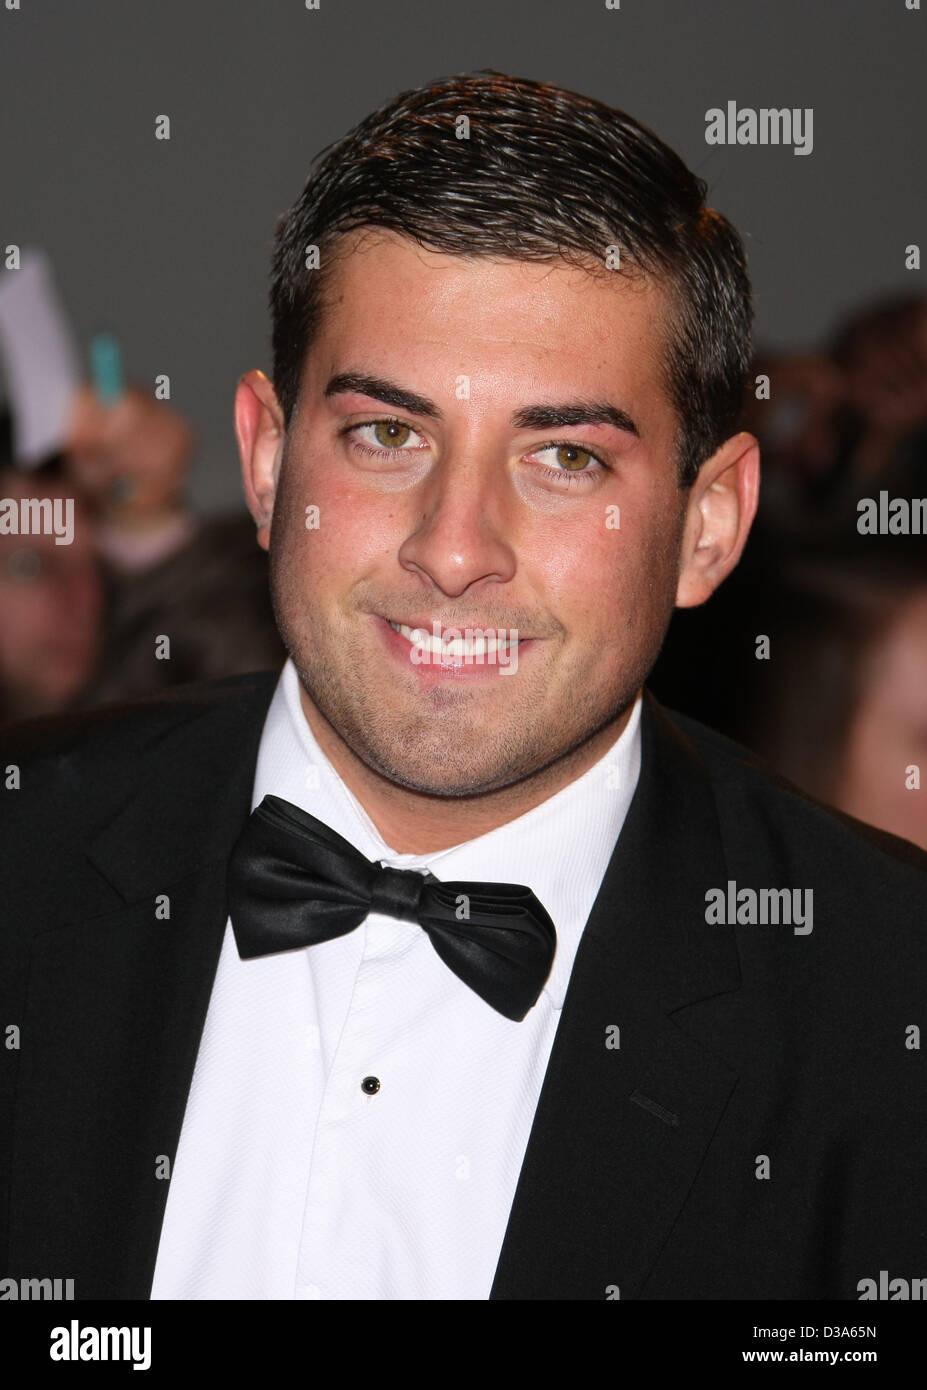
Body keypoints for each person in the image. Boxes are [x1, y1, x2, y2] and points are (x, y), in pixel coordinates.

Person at [2, 71, 925, 1302]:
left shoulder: (885, 1003)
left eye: (562, 457)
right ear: (271, 466)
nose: (452, 545)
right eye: (389, 433)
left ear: (710, 524)